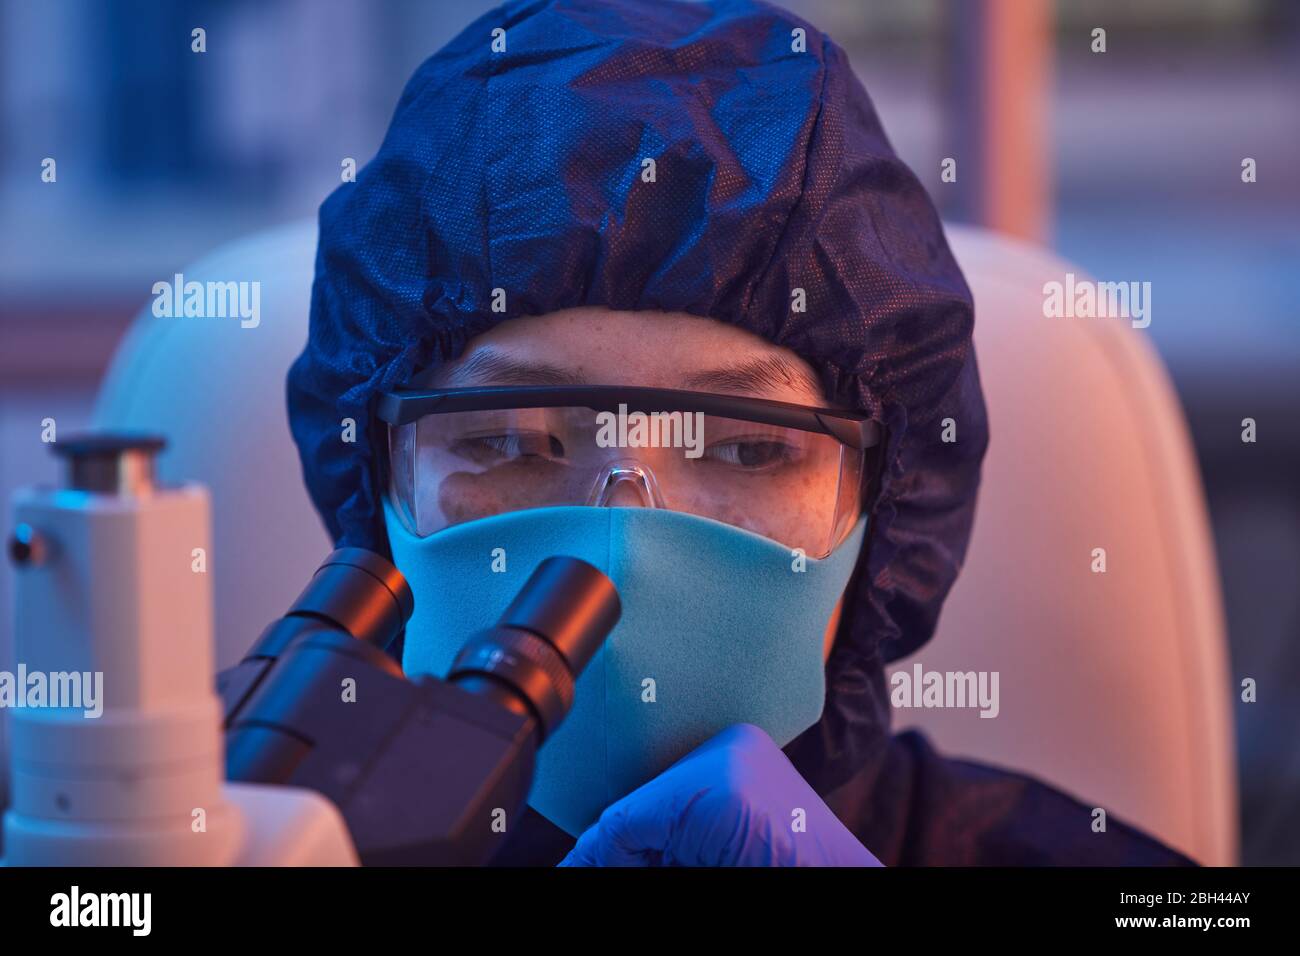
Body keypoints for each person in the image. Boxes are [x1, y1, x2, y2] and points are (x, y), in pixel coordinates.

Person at [287, 0, 1191, 866]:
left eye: (749, 448)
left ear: (887, 509)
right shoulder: (245, 845)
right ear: (375, 481)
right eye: (513, 440)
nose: (621, 552)